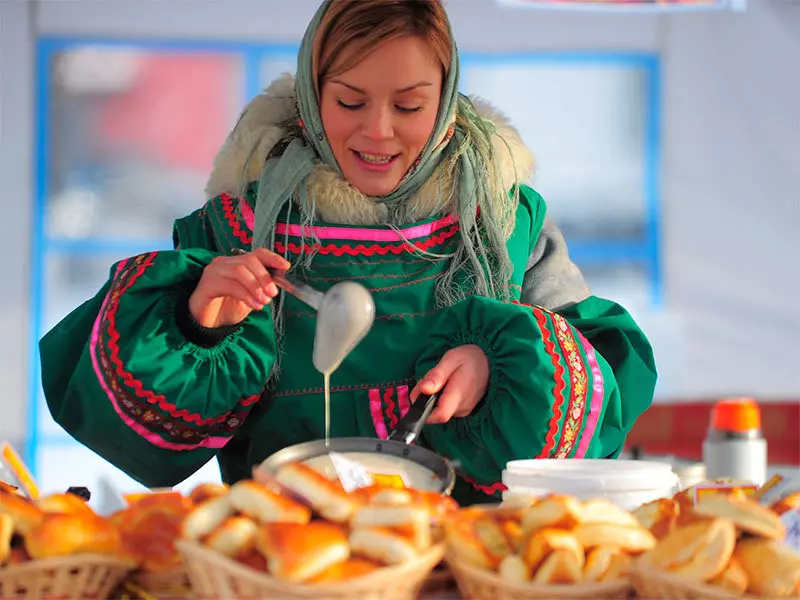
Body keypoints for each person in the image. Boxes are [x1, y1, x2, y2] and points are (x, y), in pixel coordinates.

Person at [40, 0, 657, 505]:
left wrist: (499, 369)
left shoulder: (502, 223)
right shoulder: (239, 230)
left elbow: (598, 402)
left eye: (409, 105)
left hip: (469, 561)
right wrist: (197, 326)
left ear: (444, 105)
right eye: (350, 102)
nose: (379, 130)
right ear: (311, 98)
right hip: (286, 559)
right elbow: (140, 440)